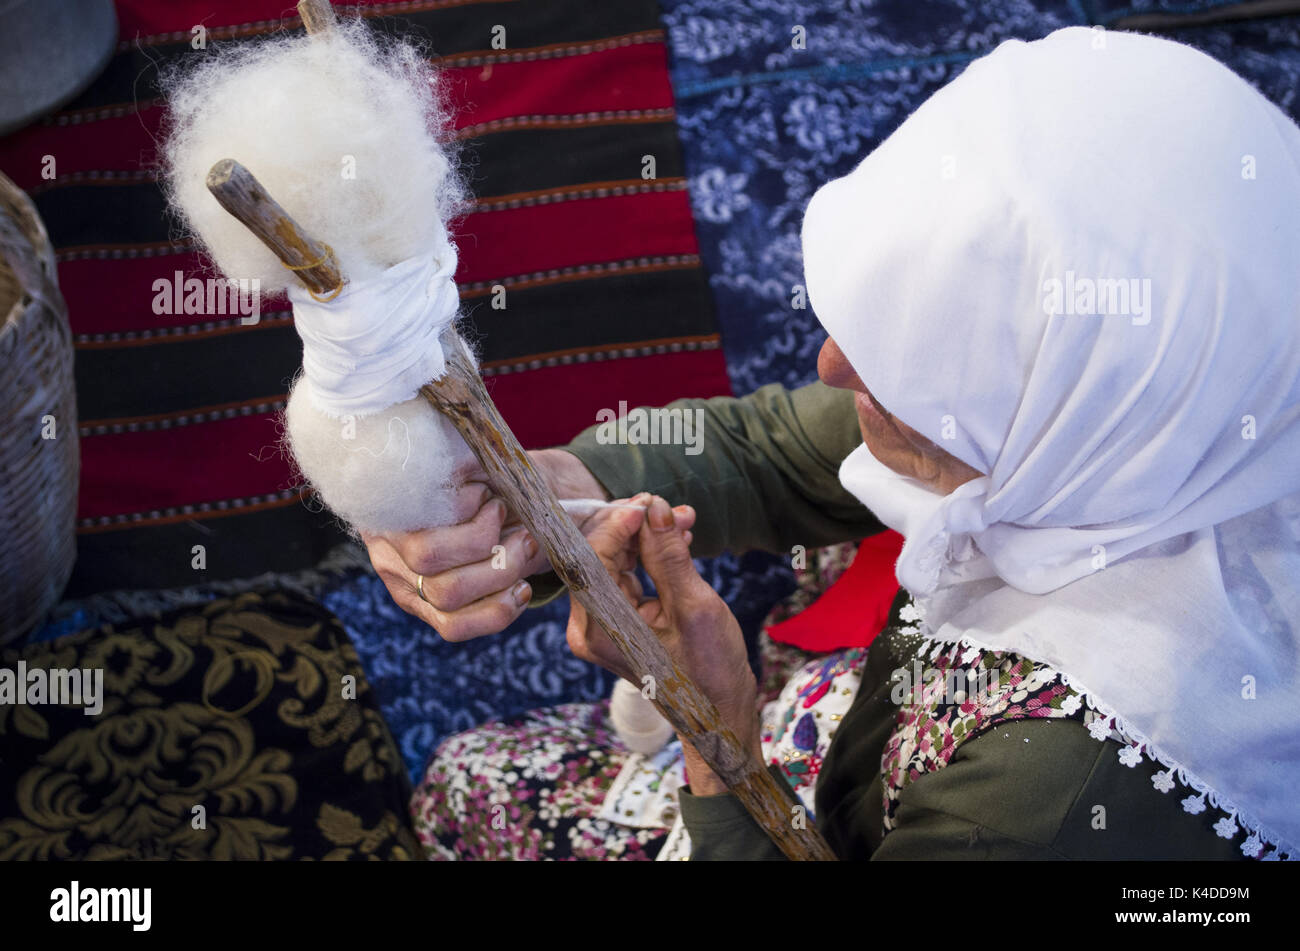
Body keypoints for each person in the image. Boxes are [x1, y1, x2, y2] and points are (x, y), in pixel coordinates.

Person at [367, 27, 1300, 859]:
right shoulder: (1176, 415)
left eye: (917, 363)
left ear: (1086, 407)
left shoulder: (1061, 791)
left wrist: (715, 737)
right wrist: (552, 489)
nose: (836, 363)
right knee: (467, 767)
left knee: (471, 787)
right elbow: (771, 443)